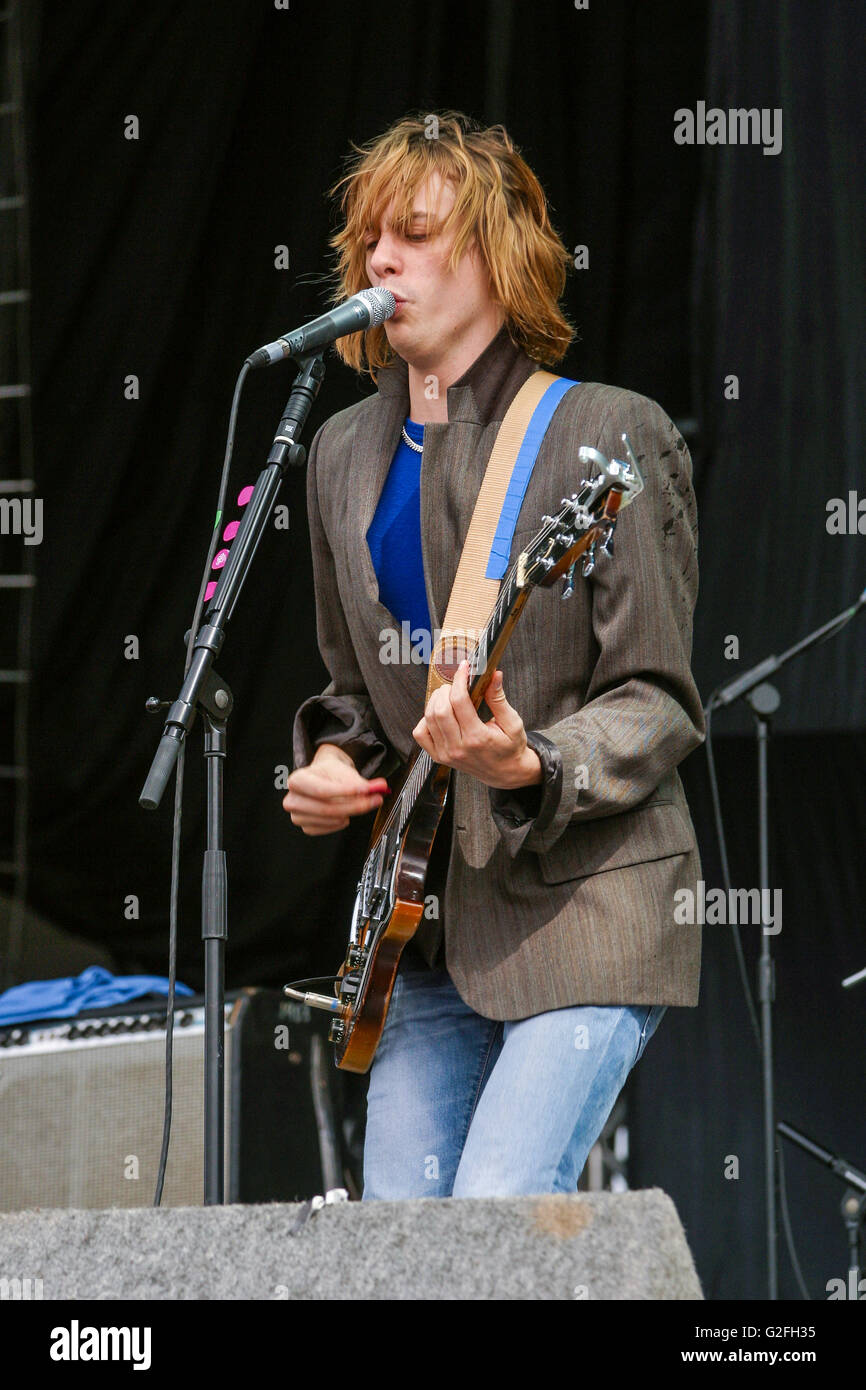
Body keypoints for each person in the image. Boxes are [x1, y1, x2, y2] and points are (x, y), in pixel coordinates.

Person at [284, 111, 705, 1201]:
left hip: (586, 908)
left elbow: (654, 697)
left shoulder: (606, 433)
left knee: (493, 1221)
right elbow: (352, 690)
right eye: (371, 238)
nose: (381, 258)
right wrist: (334, 765)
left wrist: (533, 764)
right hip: (422, 934)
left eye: (416, 233)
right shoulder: (338, 452)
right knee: (402, 1257)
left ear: (494, 255)